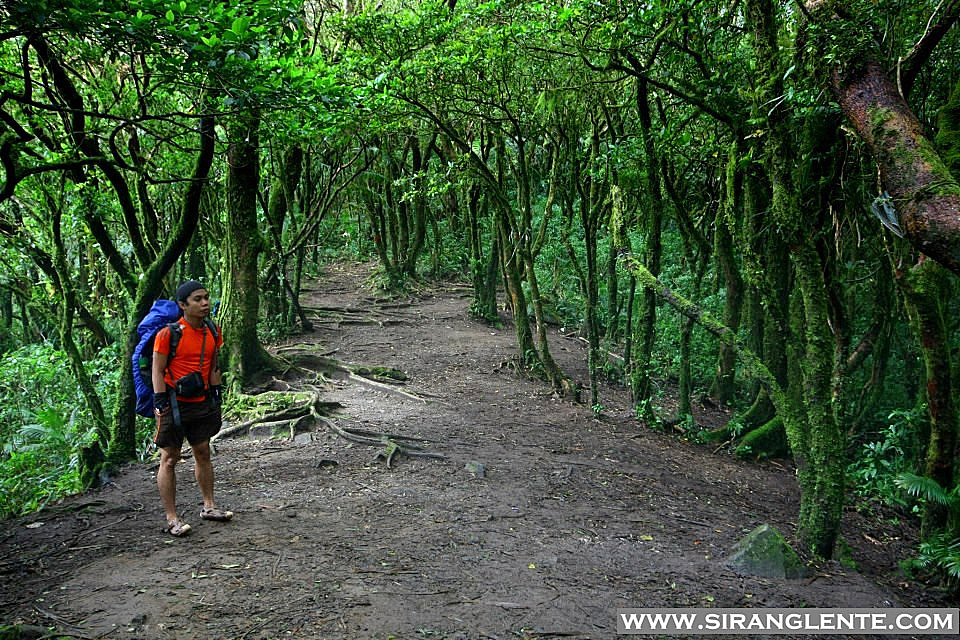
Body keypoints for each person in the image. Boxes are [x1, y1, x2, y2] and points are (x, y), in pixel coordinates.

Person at [153, 280, 233, 536]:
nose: (205, 303)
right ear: (182, 305)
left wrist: (216, 392)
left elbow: (213, 364)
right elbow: (157, 367)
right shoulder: (169, 334)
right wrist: (159, 399)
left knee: (202, 451)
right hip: (174, 404)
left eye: (206, 297)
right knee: (169, 458)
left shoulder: (211, 330)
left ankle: (209, 506)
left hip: (202, 401)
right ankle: (172, 518)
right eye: (197, 299)